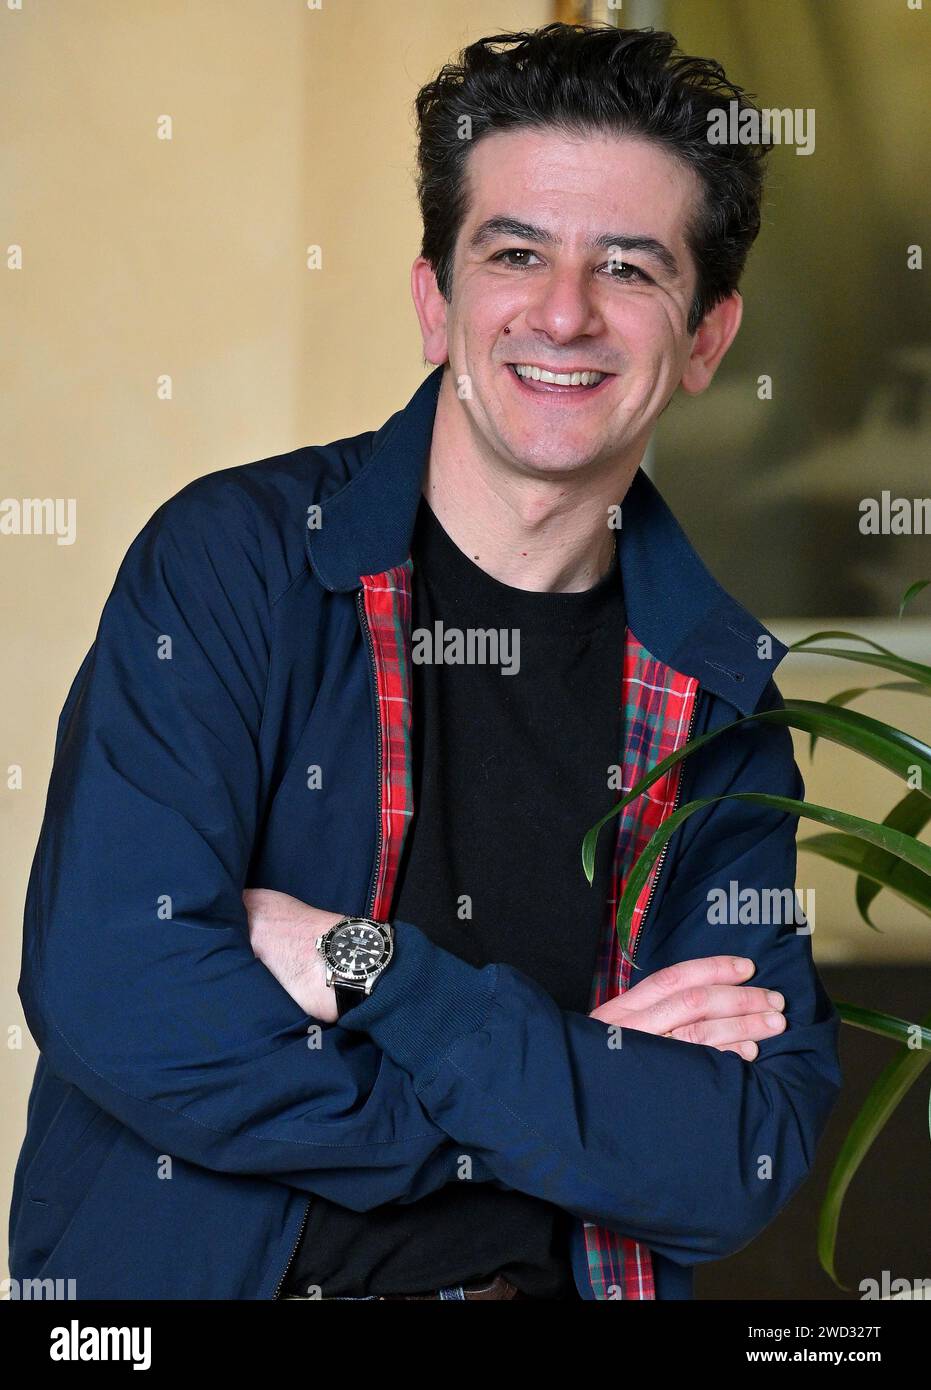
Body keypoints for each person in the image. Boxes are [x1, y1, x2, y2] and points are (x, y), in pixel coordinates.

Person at [9, 23, 841, 1301]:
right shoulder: (232, 566)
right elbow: (122, 995)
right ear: (433, 300)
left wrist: (373, 967)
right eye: (514, 252)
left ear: (706, 337)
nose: (562, 311)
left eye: (627, 267)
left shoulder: (718, 702)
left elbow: (737, 1153)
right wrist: (550, 1088)